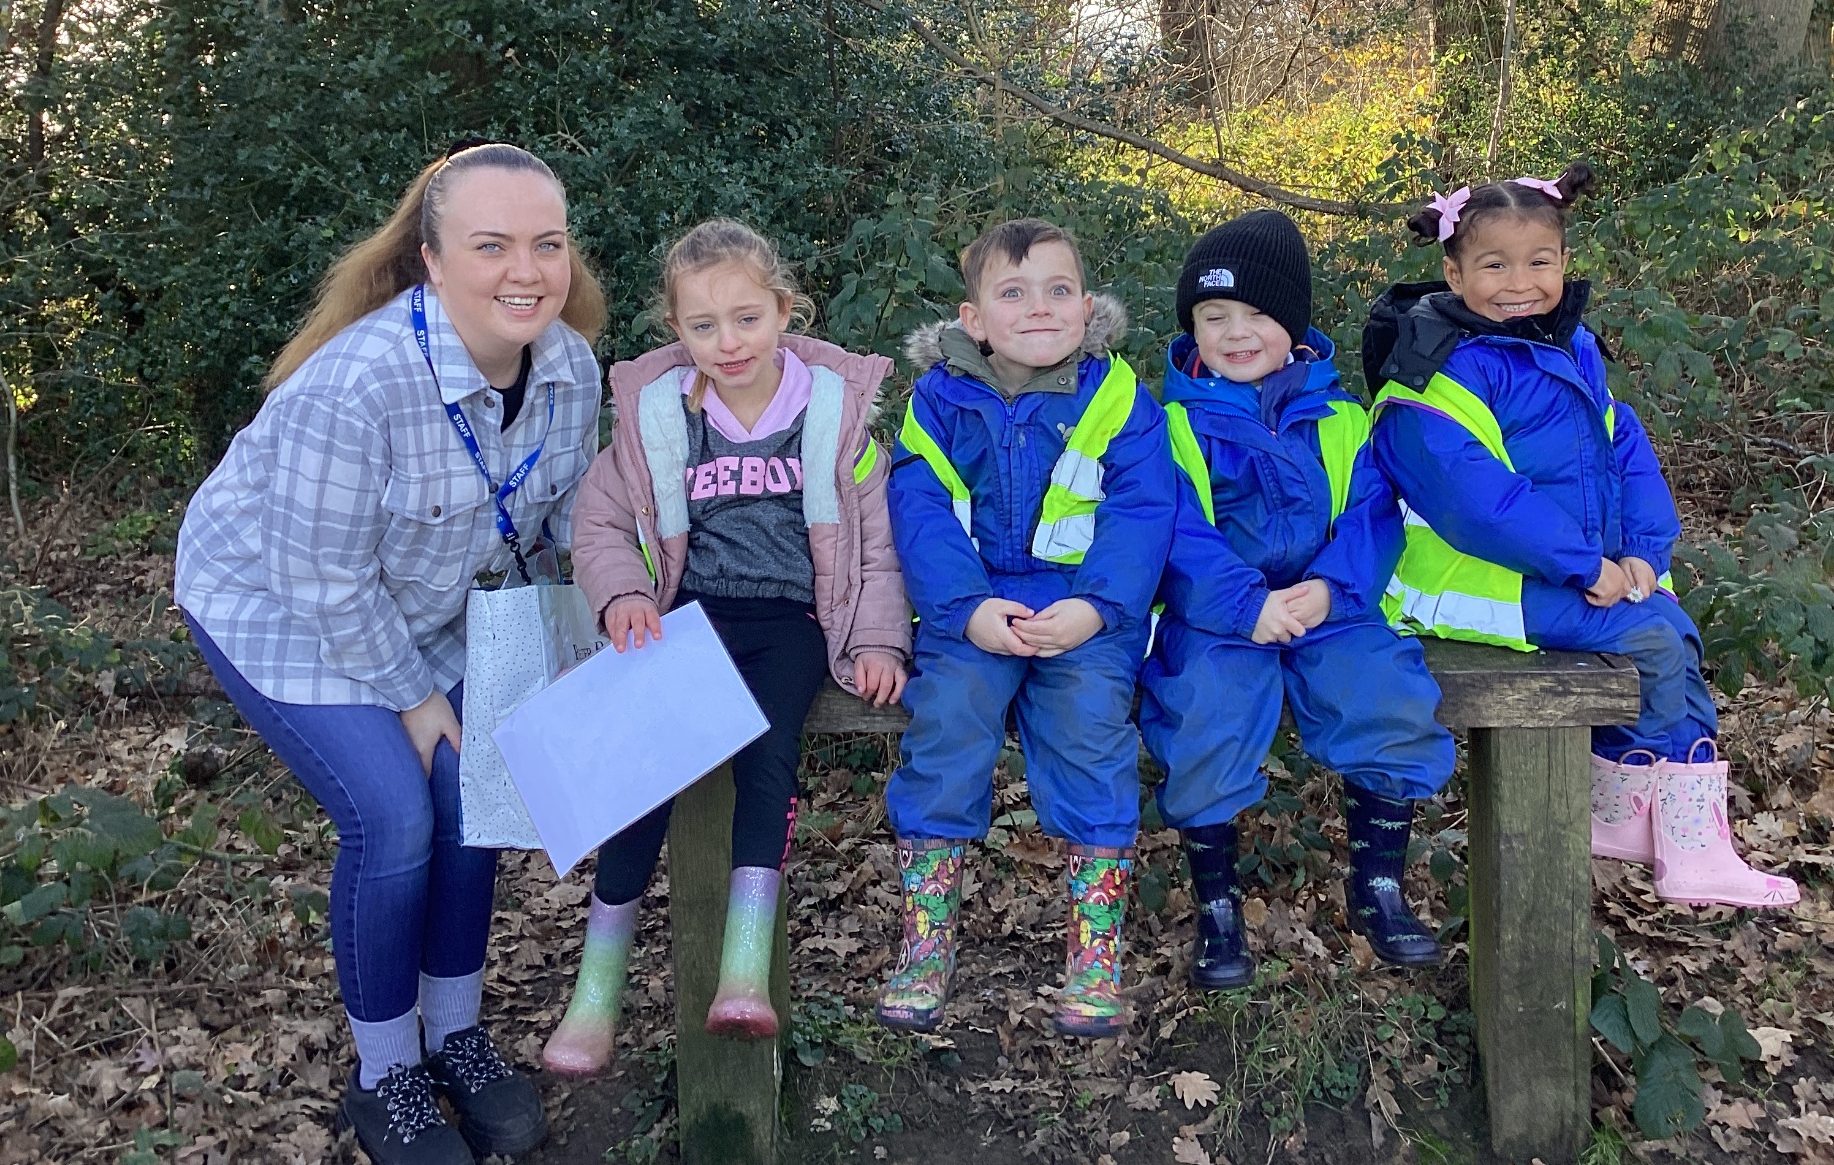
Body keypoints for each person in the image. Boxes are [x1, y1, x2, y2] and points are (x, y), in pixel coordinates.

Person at [176, 142, 605, 1165]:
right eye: (491, 245)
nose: (526, 270)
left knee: (472, 796)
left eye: (546, 244)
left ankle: (453, 1034)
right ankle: (386, 1075)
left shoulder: (570, 367)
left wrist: (595, 635)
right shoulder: (356, 386)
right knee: (395, 813)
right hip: (278, 604)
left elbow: (562, 520)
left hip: (431, 601)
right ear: (430, 259)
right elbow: (321, 581)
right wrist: (416, 702)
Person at [1364, 168, 1798, 909]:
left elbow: (1620, 446)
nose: (1519, 283)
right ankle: (1684, 845)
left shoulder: (1569, 345)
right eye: (1494, 265)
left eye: (1539, 262)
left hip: (1562, 570)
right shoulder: (1433, 367)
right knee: (1652, 640)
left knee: (1667, 620)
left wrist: (1641, 552)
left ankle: (1634, 812)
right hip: (1461, 582)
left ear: (1565, 263)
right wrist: (1579, 565)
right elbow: (1477, 503)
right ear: (1453, 270)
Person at [542, 219, 910, 1075]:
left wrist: (881, 640)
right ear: (675, 330)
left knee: (769, 756)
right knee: (643, 777)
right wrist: (625, 594)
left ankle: (743, 970)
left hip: (791, 619)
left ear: (785, 311)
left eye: (747, 318)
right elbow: (597, 524)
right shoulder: (658, 417)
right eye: (702, 326)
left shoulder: (832, 414)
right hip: (690, 616)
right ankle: (596, 991)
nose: (727, 341)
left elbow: (876, 544)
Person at [876, 219, 1173, 1038]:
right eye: (1013, 293)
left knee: (1090, 730)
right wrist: (966, 609)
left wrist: (1098, 608)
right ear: (973, 319)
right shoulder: (938, 399)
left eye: (1057, 290)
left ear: (1086, 306)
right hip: (971, 610)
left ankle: (1093, 953)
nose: (1038, 308)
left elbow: (1143, 510)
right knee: (949, 722)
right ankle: (927, 942)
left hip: (1087, 611)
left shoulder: (1119, 398)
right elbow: (920, 507)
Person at [1146, 210, 1457, 982]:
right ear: (1192, 327)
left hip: (1330, 605)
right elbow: (1173, 529)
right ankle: (1218, 905)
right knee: (1205, 712)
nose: (1236, 332)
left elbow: (1373, 514)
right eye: (1214, 317)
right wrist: (1244, 605)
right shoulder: (1169, 422)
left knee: (1382, 691)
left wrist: (1329, 588)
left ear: (1295, 325)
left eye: (1258, 315)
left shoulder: (1344, 417)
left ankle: (1377, 882)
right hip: (1218, 616)